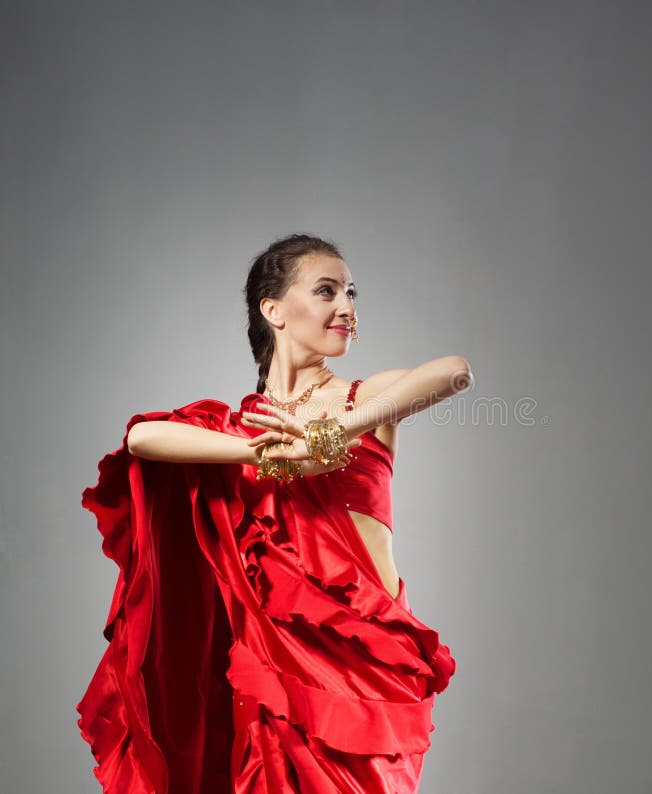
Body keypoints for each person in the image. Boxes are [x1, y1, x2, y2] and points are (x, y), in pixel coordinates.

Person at [76, 233, 474, 793]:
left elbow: (454, 372)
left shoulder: (366, 399)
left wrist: (329, 434)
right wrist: (259, 454)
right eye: (327, 291)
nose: (347, 307)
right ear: (274, 310)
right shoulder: (243, 429)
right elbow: (143, 438)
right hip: (278, 664)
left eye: (351, 292)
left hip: (368, 658)